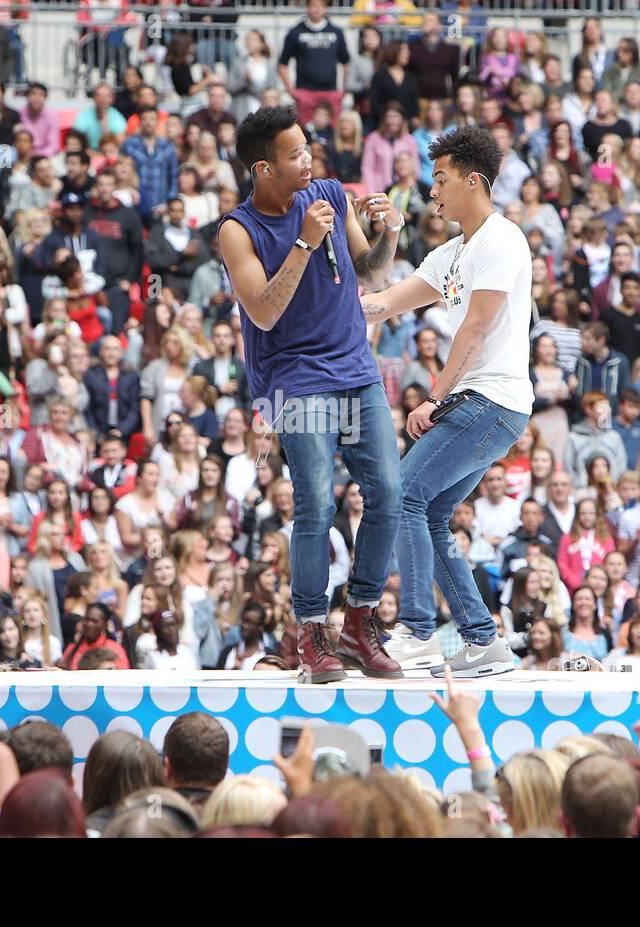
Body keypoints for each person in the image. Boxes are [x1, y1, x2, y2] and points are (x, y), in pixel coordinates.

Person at [219, 105, 404, 684]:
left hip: (356, 366)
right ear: (262, 167)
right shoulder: (236, 230)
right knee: (318, 504)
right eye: (294, 153)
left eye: (306, 147)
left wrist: (390, 231)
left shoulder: (327, 192)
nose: (308, 160)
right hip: (296, 377)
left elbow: (369, 270)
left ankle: (360, 621)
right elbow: (265, 313)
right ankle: (310, 632)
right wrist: (302, 244)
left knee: (390, 492)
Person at [357, 125, 530, 678]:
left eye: (441, 178)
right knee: (429, 511)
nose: (434, 190)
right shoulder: (453, 251)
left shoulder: (502, 239)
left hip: (491, 398)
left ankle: (415, 629)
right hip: (488, 403)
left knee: (404, 491)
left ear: (473, 181)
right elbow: (382, 304)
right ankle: (483, 640)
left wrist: (434, 397)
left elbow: (476, 327)